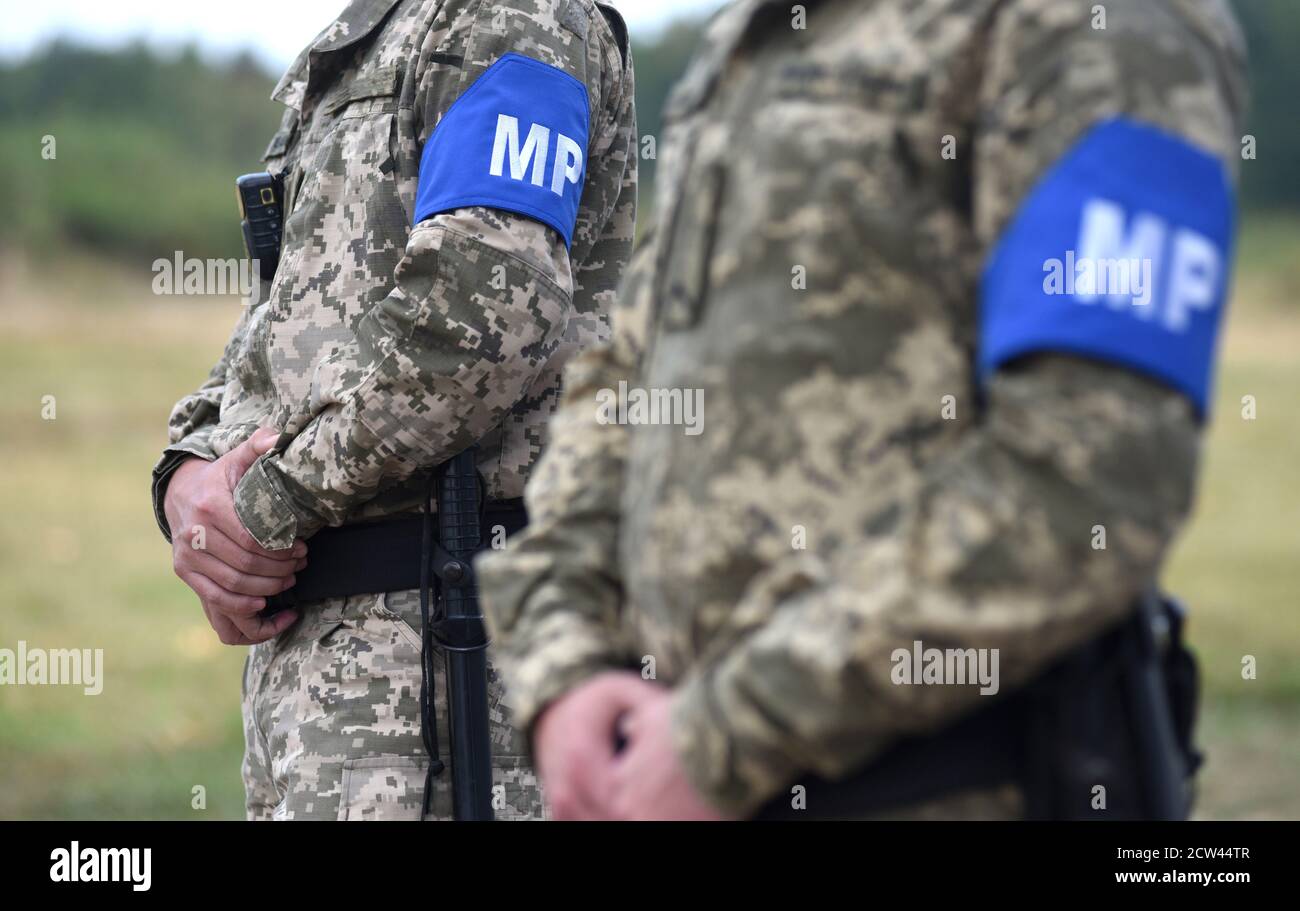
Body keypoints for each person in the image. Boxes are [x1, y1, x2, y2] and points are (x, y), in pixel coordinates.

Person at [478, 0, 1247, 820]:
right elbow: (629, 378)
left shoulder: (1097, 23)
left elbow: (1092, 468)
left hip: (938, 782)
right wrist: (566, 666)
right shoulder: (765, 30)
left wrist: (727, 733)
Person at [152, 0, 637, 820]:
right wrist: (187, 476)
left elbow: (483, 313)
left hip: (444, 676)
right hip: (325, 680)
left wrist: (263, 504)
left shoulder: (508, 15)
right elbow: (284, 325)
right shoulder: (372, 34)